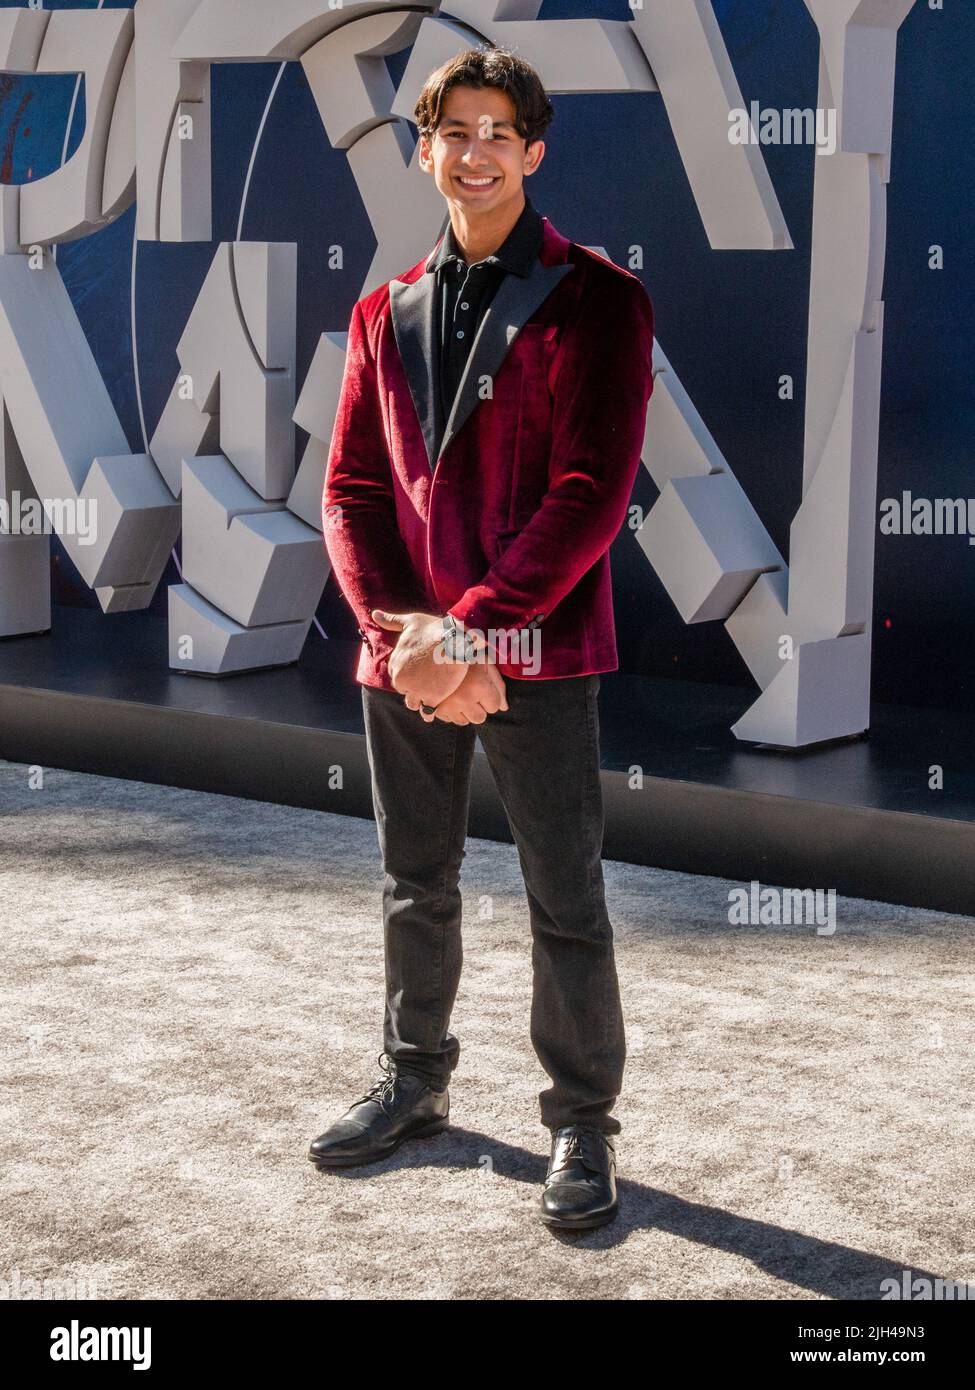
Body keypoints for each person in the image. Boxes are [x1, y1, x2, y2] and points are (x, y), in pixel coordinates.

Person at [310, 44, 655, 1231]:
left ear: (535, 150)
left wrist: (468, 633)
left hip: (530, 652)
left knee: (565, 892)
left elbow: (589, 495)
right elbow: (349, 491)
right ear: (425, 148)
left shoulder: (601, 298)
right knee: (416, 882)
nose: (477, 150)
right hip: (403, 652)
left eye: (500, 130)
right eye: (454, 130)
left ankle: (581, 1124)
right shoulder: (378, 312)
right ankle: (414, 1085)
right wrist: (394, 633)